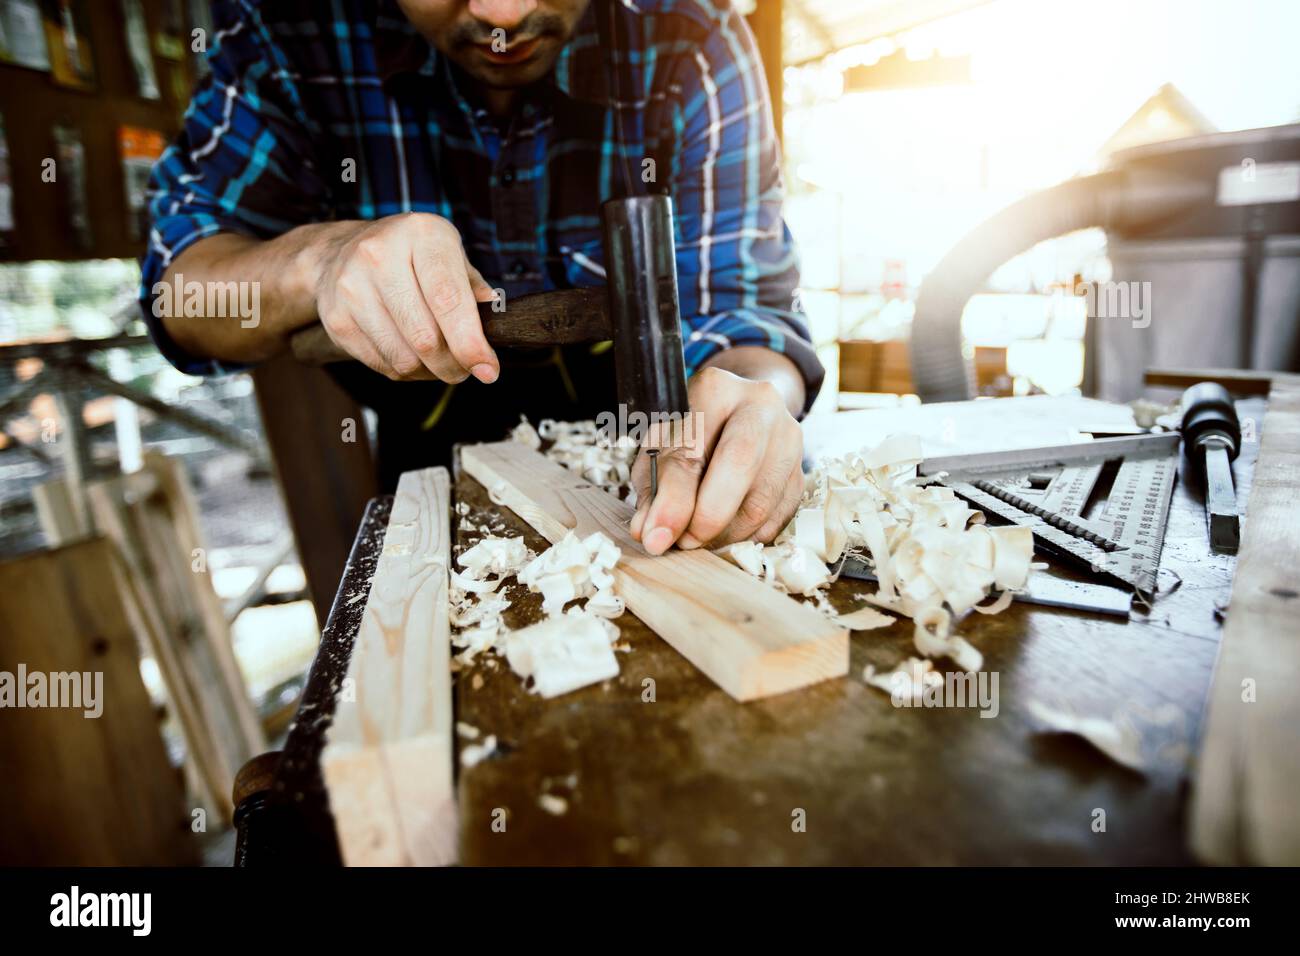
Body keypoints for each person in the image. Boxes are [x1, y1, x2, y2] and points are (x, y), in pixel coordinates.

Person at [141, 0, 823, 556]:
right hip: (427, 465)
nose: (504, 13)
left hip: (649, 456)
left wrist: (754, 398)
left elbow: (745, 306)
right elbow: (180, 292)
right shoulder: (284, 33)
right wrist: (317, 262)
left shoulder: (691, 37)